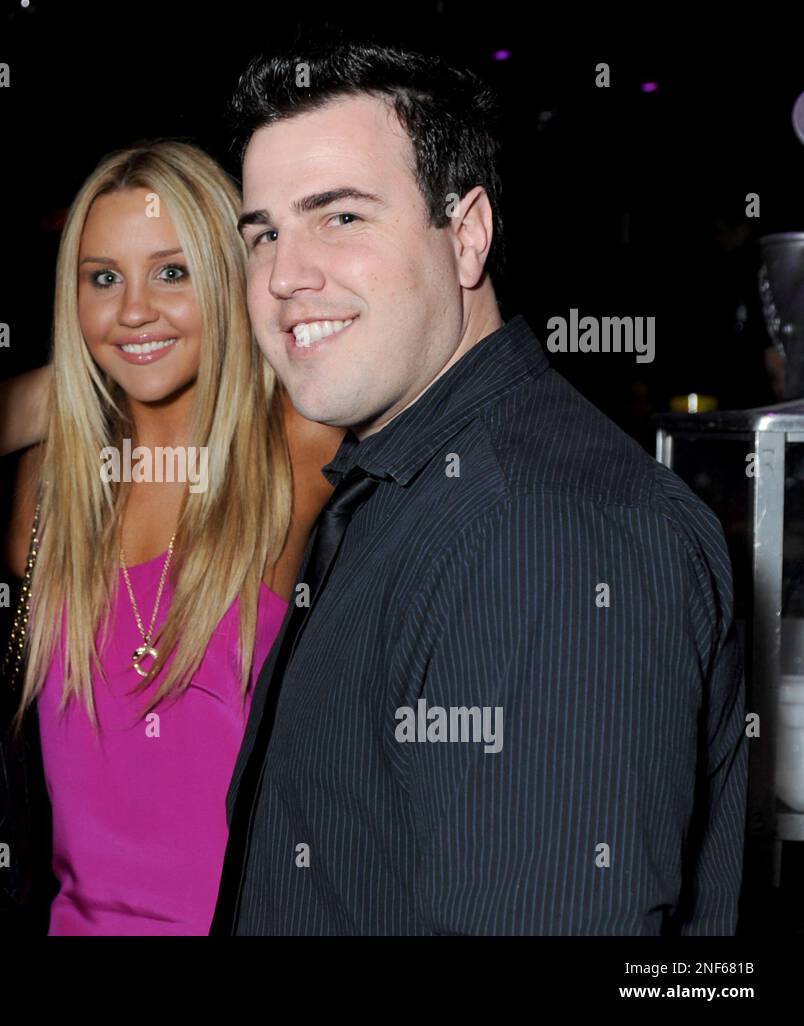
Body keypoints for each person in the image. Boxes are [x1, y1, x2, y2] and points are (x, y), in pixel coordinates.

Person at [214, 41, 747, 935]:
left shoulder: (541, 535)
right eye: (264, 231)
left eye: (339, 218)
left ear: (466, 235)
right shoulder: (407, 476)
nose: (281, 277)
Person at [5, 140, 341, 935]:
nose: (133, 308)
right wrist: (80, 375)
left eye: (172, 271)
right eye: (102, 279)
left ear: (230, 278)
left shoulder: (295, 450)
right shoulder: (53, 481)